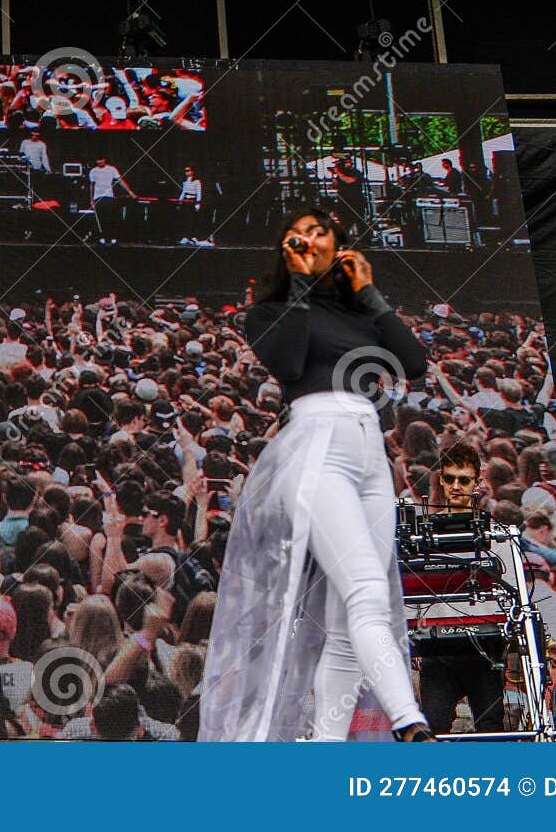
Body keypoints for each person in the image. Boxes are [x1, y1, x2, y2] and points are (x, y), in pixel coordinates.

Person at [200, 207, 434, 742]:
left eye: (319, 230)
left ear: (340, 244)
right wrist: (302, 282)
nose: (308, 238)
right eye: (297, 233)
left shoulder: (361, 314)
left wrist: (370, 292)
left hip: (370, 449)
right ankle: (409, 720)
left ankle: (329, 748)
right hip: (315, 444)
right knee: (368, 591)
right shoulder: (270, 311)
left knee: (347, 626)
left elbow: (412, 362)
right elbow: (287, 362)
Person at [415, 443, 504, 735]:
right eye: (449, 478)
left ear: (477, 482)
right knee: (433, 727)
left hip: (484, 650)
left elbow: (509, 586)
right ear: (441, 479)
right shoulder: (422, 535)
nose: (455, 486)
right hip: (438, 651)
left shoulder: (493, 533)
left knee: (491, 729)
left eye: (463, 480)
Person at [88, 157, 134, 246]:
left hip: (109, 196)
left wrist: (130, 192)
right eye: (98, 160)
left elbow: (120, 181)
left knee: (111, 217)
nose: (100, 162)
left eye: (101, 159)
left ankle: (112, 237)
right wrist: (91, 200)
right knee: (100, 219)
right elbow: (91, 185)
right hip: (98, 197)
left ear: (104, 160)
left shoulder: (112, 169)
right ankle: (101, 238)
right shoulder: (93, 171)